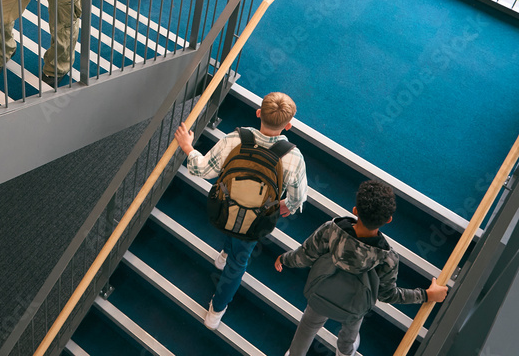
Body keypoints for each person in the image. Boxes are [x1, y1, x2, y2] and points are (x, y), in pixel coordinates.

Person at [173, 91, 306, 330]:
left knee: (232, 209)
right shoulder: (293, 157)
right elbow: (298, 197)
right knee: (239, 262)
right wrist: (287, 205)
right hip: (256, 221)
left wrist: (188, 147)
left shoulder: (235, 139)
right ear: (288, 126)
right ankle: (216, 310)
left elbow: (201, 170)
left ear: (258, 114)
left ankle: (224, 253)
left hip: (225, 208)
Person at [275, 179, 448, 356]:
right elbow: (388, 294)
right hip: (354, 307)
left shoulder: (331, 230)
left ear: (355, 210)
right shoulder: (388, 258)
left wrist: (284, 258)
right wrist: (426, 295)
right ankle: (345, 352)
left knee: (308, 326)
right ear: (388, 220)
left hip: (320, 295)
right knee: (350, 335)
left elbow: (305, 255)